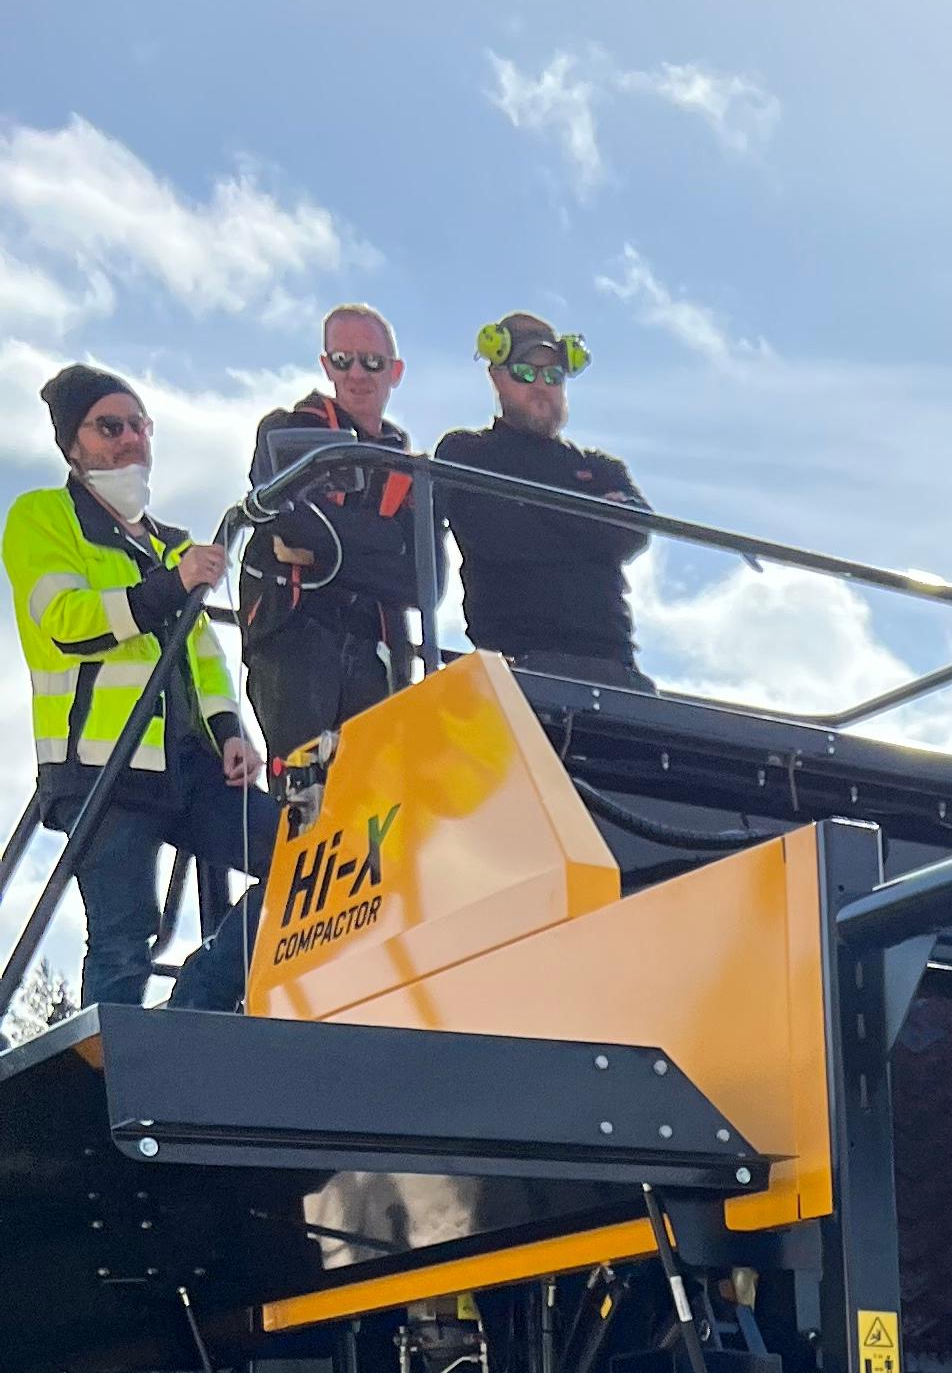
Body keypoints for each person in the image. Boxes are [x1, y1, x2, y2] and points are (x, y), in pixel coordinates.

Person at [4, 363, 275, 1014]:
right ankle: (113, 1103)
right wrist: (171, 585)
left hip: (189, 764)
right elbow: (65, 622)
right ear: (73, 444)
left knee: (304, 857)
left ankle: (198, 1000)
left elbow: (203, 657)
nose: (130, 438)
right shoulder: (41, 517)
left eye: (139, 425)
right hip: (102, 766)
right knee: (124, 942)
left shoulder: (167, 542)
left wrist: (231, 733)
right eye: (110, 426)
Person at [239, 302, 425, 760]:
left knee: (379, 803)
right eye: (343, 360)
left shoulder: (408, 463)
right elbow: (293, 526)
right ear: (327, 365)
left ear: (395, 371)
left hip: (377, 654)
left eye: (372, 362)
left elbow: (423, 582)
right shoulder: (287, 430)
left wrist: (327, 553)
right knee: (304, 797)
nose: (357, 373)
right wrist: (386, 541)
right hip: (294, 639)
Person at [433, 313, 650, 685]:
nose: (541, 385)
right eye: (525, 372)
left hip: (617, 671)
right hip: (515, 670)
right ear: (497, 377)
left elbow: (635, 533)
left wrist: (532, 509)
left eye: (553, 376)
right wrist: (592, 525)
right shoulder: (467, 453)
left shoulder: (601, 468)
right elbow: (499, 537)